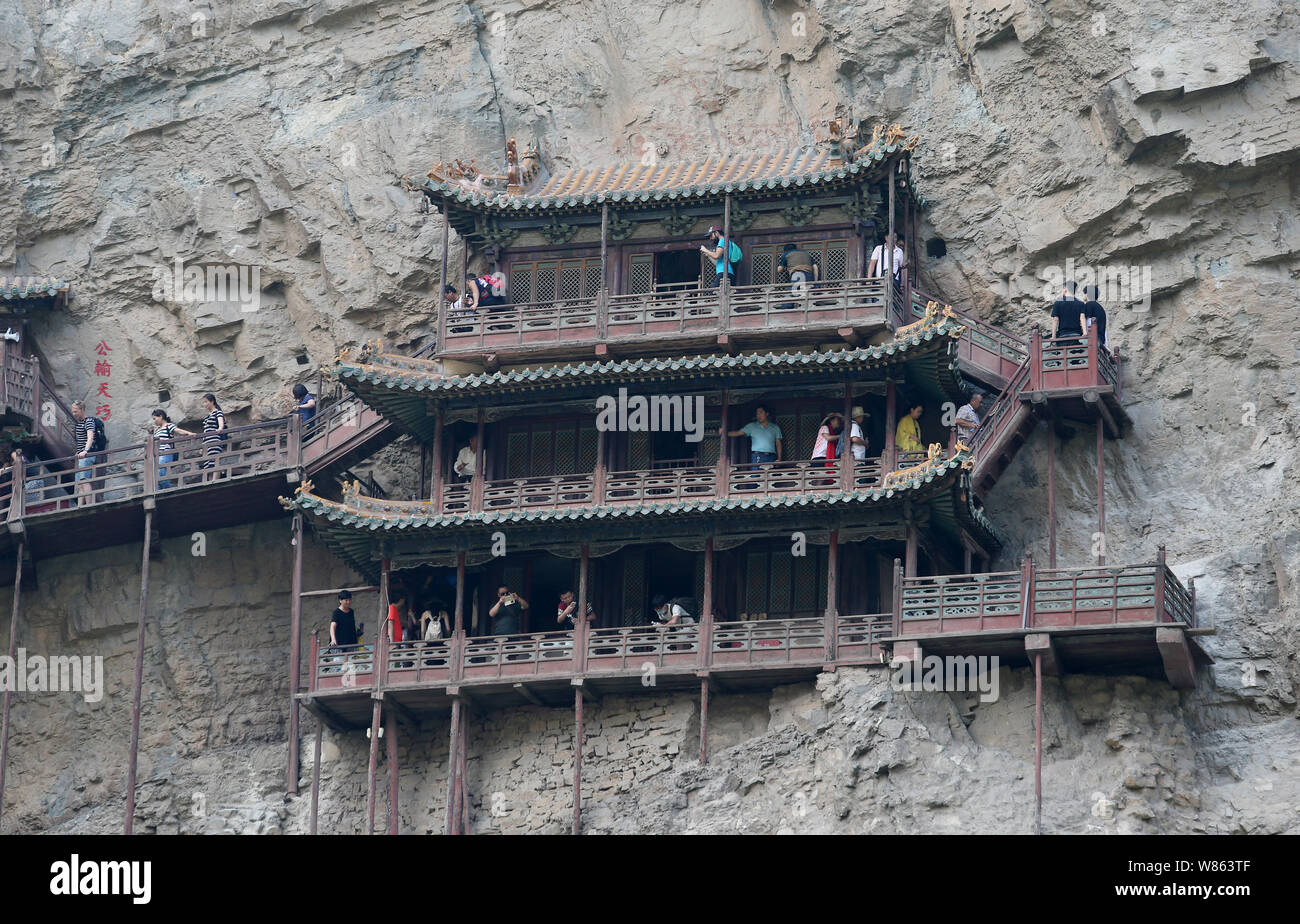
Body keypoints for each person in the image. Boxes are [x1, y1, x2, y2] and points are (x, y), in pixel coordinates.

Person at [71, 400, 105, 506]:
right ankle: (80, 506)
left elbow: (90, 437)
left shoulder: (88, 421)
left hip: (87, 455)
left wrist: (85, 451)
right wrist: (78, 451)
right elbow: (81, 440)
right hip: (81, 455)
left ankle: (89, 505)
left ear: (82, 410)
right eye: (73, 411)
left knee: (84, 480)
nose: (74, 414)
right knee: (80, 483)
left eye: (76, 411)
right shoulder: (79, 423)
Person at [150, 409, 194, 490]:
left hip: (166, 453)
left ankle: (168, 489)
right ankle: (159, 491)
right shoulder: (157, 430)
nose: (154, 421)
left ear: (161, 416)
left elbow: (178, 430)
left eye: (155, 418)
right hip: (158, 455)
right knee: (155, 476)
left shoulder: (168, 426)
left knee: (160, 473)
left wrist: (188, 433)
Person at [777, 243, 819, 307]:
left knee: (790, 295)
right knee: (806, 294)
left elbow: (779, 269)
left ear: (785, 250)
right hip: (809, 275)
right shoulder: (806, 254)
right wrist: (815, 282)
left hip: (797, 275)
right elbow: (815, 267)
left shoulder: (786, 254)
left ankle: (786, 311)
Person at [199, 393, 227, 478]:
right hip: (207, 442)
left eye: (206, 402)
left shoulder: (217, 412)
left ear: (212, 401)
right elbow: (205, 431)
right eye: (204, 402)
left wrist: (220, 428)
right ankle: (211, 481)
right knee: (208, 464)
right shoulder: (207, 417)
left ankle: (215, 481)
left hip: (214, 440)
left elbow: (221, 423)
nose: (205, 404)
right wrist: (202, 446)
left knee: (214, 461)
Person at [1082, 284, 1108, 351]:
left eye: (1084, 293)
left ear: (1087, 294)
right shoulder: (1100, 308)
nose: (1083, 295)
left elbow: (1087, 321)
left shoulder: (1089, 304)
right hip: (1100, 340)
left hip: (1092, 339)